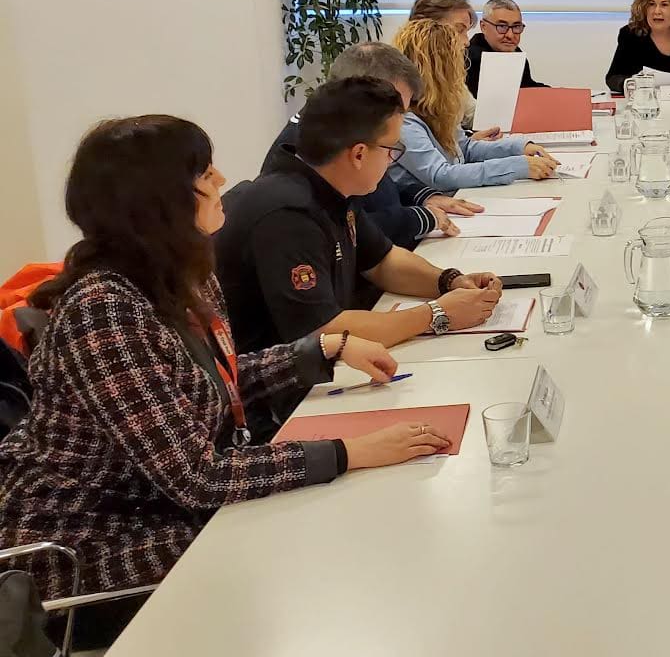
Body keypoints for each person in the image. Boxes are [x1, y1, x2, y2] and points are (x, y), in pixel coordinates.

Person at [0, 116, 453, 647]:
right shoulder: (104, 311)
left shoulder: (180, 274)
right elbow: (197, 476)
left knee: (327, 519)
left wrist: (322, 352)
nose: (220, 178)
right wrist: (352, 451)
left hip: (158, 503)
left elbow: (211, 385)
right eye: (202, 170)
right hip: (90, 539)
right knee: (309, 544)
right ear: (159, 200)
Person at [216, 77, 507, 357]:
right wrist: (439, 314)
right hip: (283, 396)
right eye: (392, 149)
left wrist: (450, 281)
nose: (392, 159)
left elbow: (382, 261)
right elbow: (323, 332)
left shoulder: (330, 183)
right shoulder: (287, 215)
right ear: (358, 154)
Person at [262, 42, 481, 249]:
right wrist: (419, 218)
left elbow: (381, 187)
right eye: (392, 107)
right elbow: (349, 227)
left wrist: (422, 196)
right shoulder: (311, 148)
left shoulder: (342, 126)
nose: (399, 120)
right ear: (359, 93)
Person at [390, 17, 558, 190]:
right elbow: (440, 175)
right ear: (438, 69)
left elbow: (464, 149)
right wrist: (516, 166)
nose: (462, 67)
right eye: (456, 60)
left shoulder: (436, 105)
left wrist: (519, 147)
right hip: (432, 206)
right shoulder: (404, 120)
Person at [466, 0, 547, 92]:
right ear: (483, 27)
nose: (510, 35)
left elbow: (526, 87)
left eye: (516, 26)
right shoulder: (467, 60)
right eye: (502, 26)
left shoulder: (516, 54)